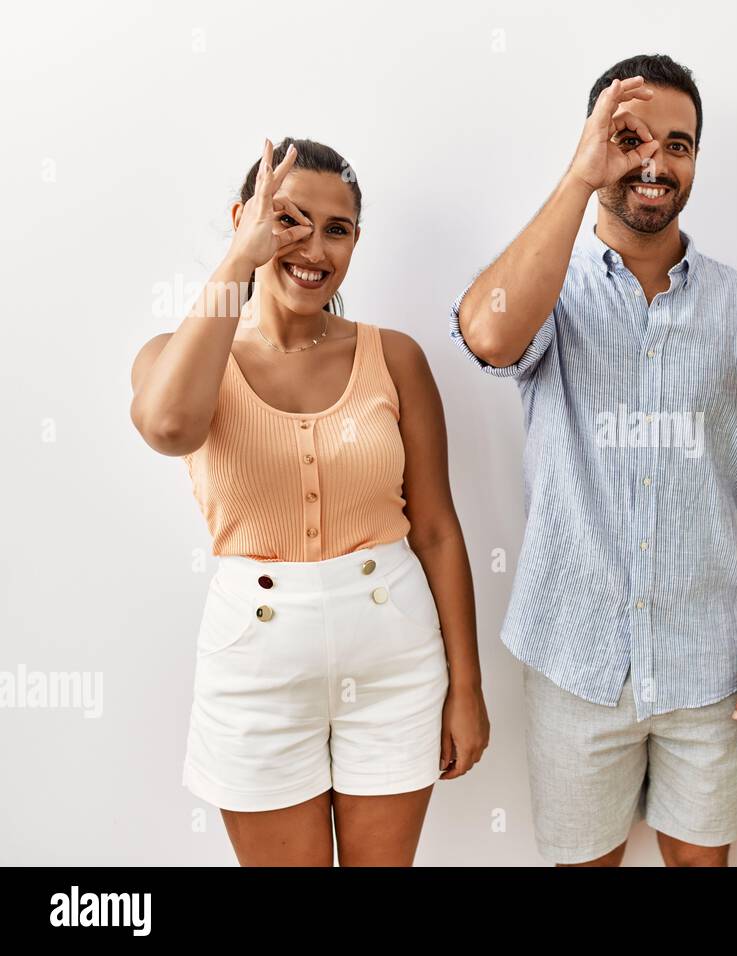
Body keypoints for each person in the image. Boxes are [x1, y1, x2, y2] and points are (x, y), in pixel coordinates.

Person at [450, 54, 737, 866]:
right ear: (594, 143)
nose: (655, 163)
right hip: (576, 655)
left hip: (717, 661)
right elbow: (486, 333)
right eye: (629, 140)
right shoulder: (549, 291)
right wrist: (581, 177)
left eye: (678, 145)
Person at [130, 137, 488, 866]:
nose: (313, 248)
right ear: (247, 219)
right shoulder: (177, 354)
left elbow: (439, 532)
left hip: (396, 658)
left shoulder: (395, 357)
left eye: (337, 229)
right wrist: (237, 261)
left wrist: (468, 689)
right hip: (254, 667)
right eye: (288, 221)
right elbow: (169, 427)